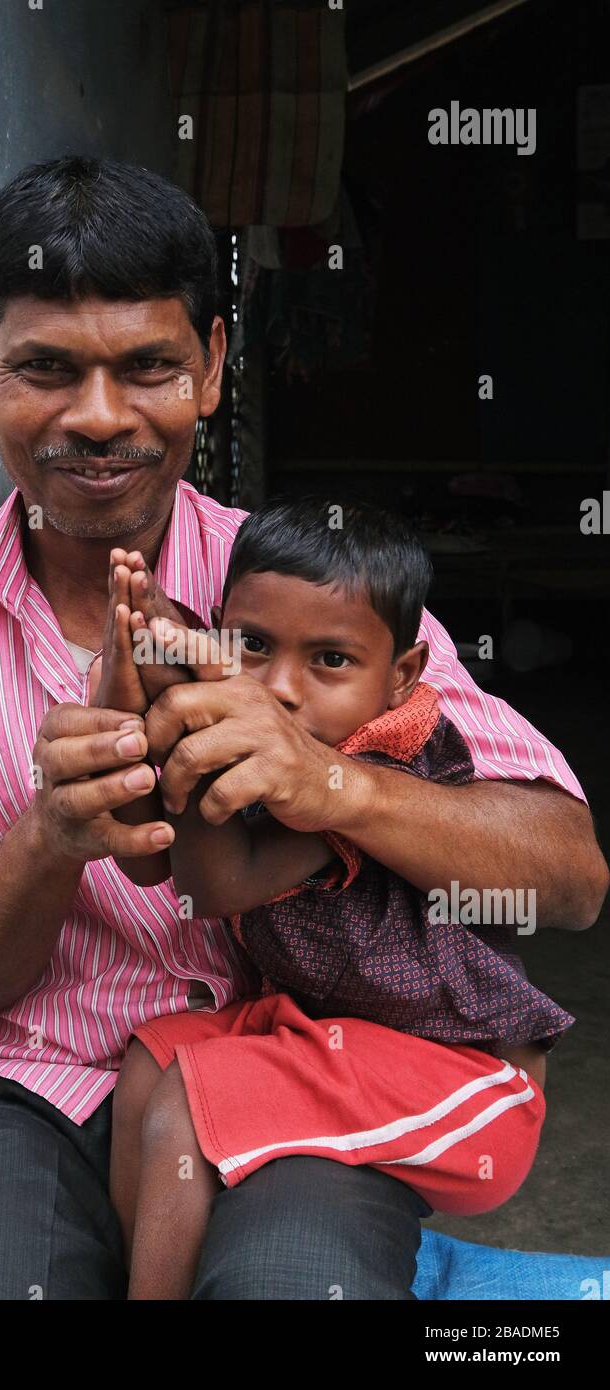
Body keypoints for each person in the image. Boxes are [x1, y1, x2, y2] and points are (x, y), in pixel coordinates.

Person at [0, 156, 608, 1300]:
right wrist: (51, 839)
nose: (99, 417)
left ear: (209, 367)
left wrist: (330, 783)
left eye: (147, 365)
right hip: (30, 1082)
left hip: (300, 1061)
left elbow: (568, 881)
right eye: (47, 368)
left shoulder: (315, 604)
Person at [100, 498, 576, 1300]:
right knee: (153, 1062)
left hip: (463, 1072)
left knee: (189, 1096)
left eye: (329, 661)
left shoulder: (381, 764)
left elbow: (216, 883)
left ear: (402, 677)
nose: (280, 689)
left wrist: (200, 692)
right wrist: (153, 674)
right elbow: (155, 861)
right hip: (331, 1033)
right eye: (252, 644)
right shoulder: (264, 728)